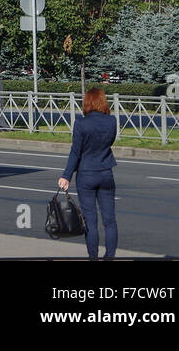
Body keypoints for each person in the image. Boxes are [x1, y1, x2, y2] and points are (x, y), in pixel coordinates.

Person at [59, 86, 118, 260]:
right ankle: (109, 257)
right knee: (110, 220)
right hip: (106, 173)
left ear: (87, 102)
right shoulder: (112, 121)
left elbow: (75, 152)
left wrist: (66, 176)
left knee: (90, 221)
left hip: (86, 175)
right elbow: (109, 142)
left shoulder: (81, 124)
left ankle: (93, 258)